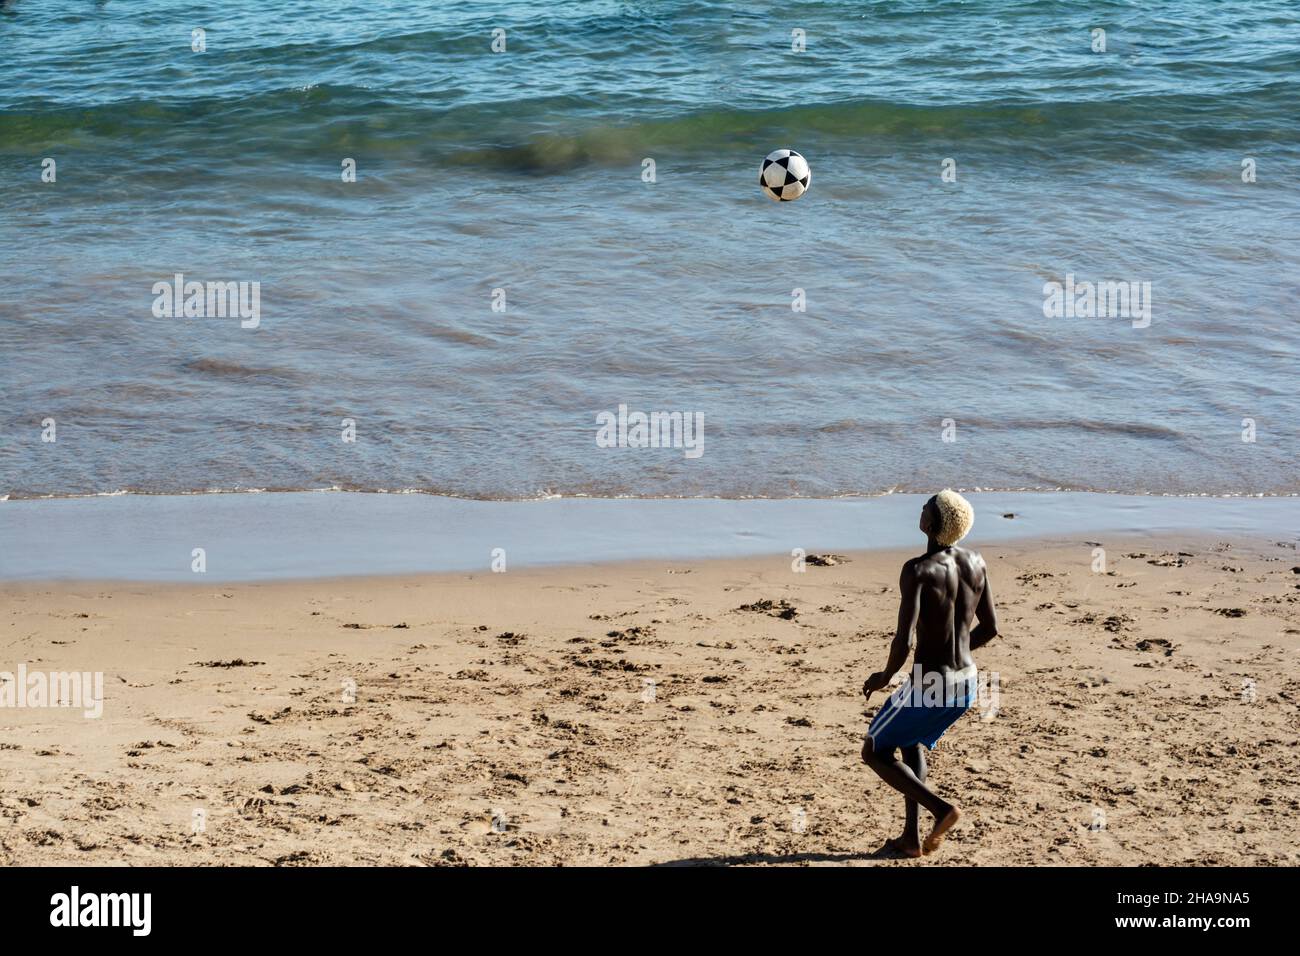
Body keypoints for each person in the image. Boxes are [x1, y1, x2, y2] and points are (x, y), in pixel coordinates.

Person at [860, 490, 998, 857]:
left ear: (933, 522)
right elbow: (990, 628)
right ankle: (911, 839)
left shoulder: (917, 570)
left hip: (929, 686)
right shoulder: (976, 562)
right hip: (966, 684)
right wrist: (958, 655)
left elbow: (903, 641)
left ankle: (942, 810)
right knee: (910, 742)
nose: (921, 508)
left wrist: (885, 676)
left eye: (927, 505)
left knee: (874, 750)